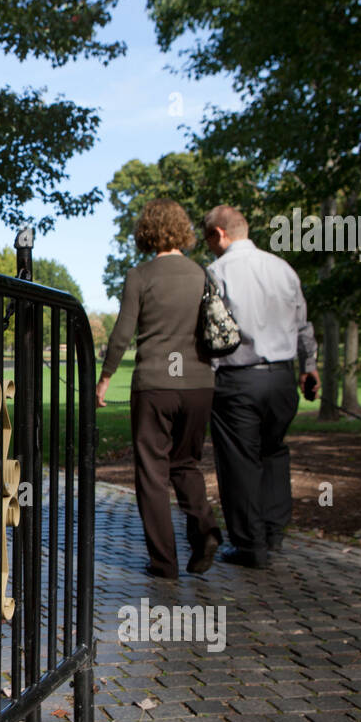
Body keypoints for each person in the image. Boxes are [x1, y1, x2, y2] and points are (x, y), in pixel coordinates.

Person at [96, 199, 222, 579]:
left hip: (155, 385)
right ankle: (204, 532)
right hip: (199, 383)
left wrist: (105, 378)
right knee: (186, 464)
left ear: (146, 231)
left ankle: (163, 563)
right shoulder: (202, 273)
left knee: (152, 472)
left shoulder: (140, 275)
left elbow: (121, 335)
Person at [202, 205, 319, 569]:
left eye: (209, 240)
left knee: (240, 462)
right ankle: (273, 532)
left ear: (219, 234)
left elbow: (212, 330)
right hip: (282, 376)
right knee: (274, 453)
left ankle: (250, 545)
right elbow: (303, 325)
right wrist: (309, 367)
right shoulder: (282, 268)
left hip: (238, 379)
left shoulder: (216, 272)